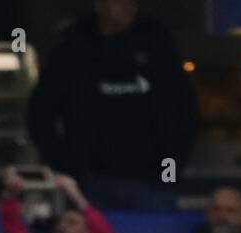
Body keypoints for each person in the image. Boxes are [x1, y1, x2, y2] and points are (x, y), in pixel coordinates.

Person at [26, 0, 197, 207]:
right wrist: (66, 167)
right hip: (89, 181)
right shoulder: (72, 49)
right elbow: (40, 113)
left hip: (153, 182)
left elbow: (186, 110)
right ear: (99, 5)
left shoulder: (159, 47)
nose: (128, 6)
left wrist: (172, 167)